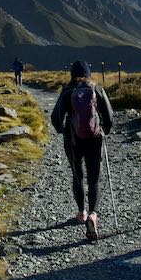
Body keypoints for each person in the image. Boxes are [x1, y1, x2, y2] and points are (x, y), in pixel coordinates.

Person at [51, 60, 113, 240]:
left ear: (72, 74)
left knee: (78, 175)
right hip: (95, 139)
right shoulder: (96, 89)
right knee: (95, 178)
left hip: (73, 141)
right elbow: (109, 116)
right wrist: (104, 130)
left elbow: (56, 118)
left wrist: (64, 132)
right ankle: (93, 214)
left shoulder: (67, 92)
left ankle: (81, 213)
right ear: (88, 73)